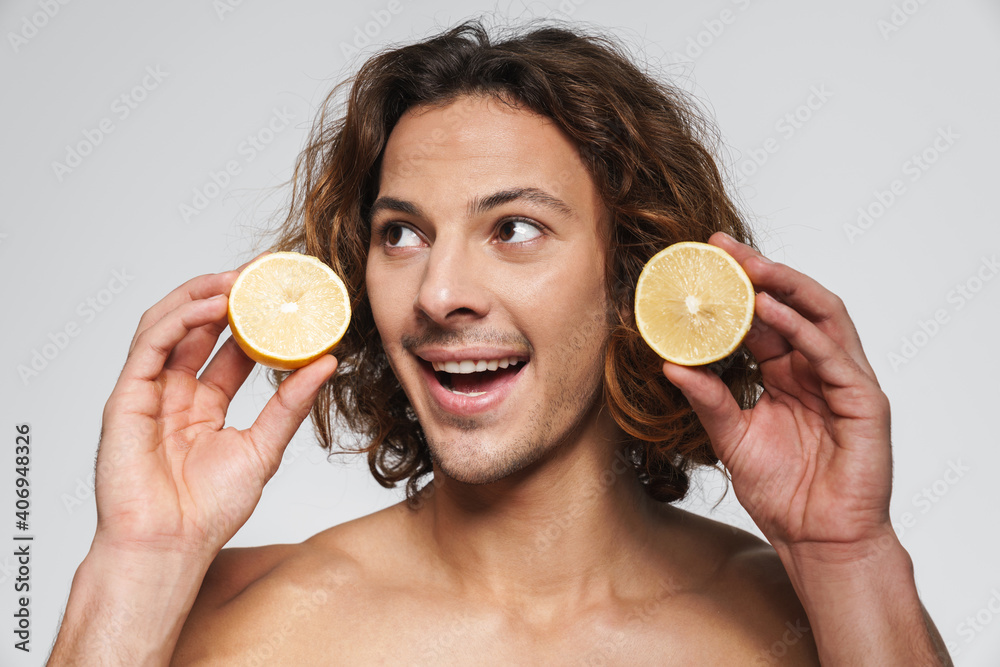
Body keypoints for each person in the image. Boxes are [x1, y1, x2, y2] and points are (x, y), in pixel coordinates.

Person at [49, 20, 951, 665]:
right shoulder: (221, 623)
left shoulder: (811, 625)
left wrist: (852, 559)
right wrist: (141, 559)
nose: (439, 294)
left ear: (629, 274)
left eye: (515, 228)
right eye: (402, 233)